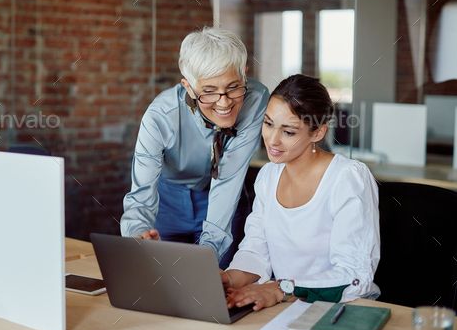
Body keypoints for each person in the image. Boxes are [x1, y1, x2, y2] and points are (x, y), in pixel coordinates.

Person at [221, 74, 380, 310]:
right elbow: (256, 249)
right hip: (288, 305)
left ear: (317, 133)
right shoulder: (268, 176)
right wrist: (227, 279)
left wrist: (280, 287)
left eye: (289, 131)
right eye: (268, 123)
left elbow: (355, 277)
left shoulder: (347, 178)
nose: (272, 140)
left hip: (343, 309)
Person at [120, 27, 269, 267]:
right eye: (208, 92)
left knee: (219, 288)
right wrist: (138, 234)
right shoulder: (160, 116)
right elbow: (141, 195)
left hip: (223, 199)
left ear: (244, 74)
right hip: (167, 202)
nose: (224, 102)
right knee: (165, 286)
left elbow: (229, 176)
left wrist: (208, 253)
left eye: (233, 86)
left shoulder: (256, 99)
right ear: (189, 87)